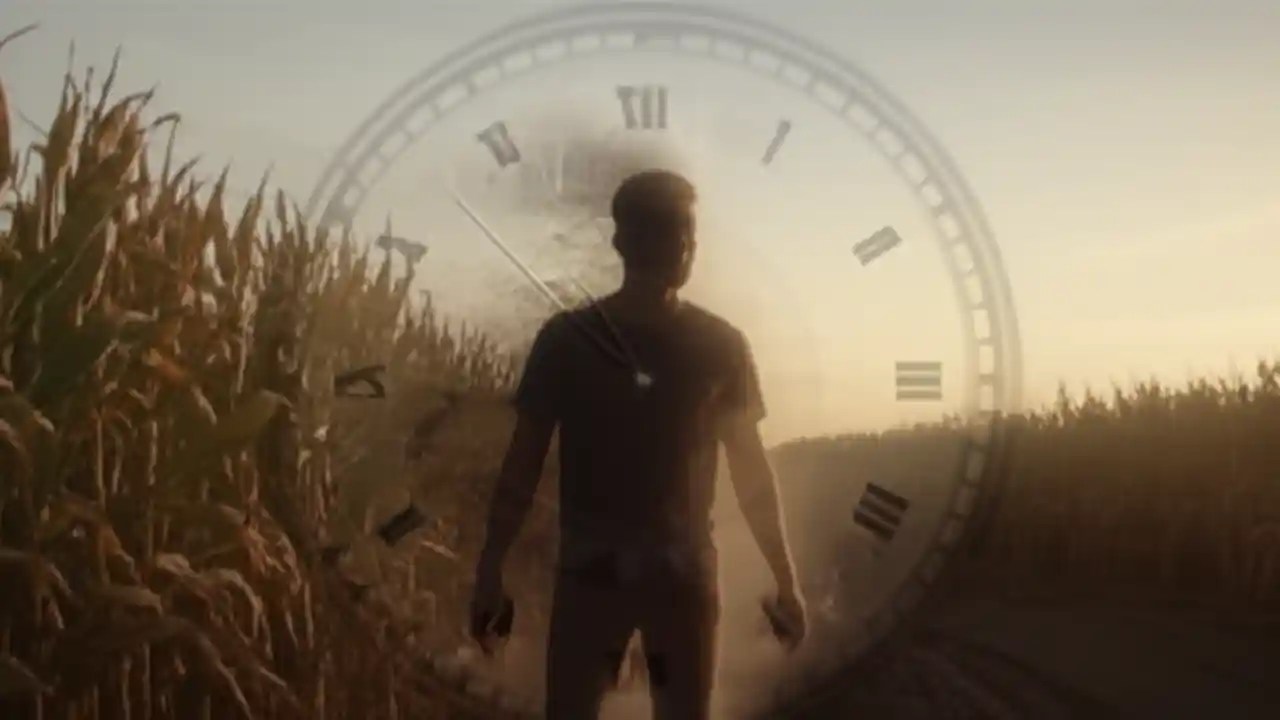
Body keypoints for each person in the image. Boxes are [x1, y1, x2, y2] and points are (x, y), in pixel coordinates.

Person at [470, 169, 807, 720]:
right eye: (677, 231)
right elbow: (521, 465)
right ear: (627, 242)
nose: (687, 247)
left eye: (689, 233)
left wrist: (786, 578)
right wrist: (489, 569)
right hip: (611, 579)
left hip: (664, 580)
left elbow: (751, 473)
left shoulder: (713, 345)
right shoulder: (574, 341)